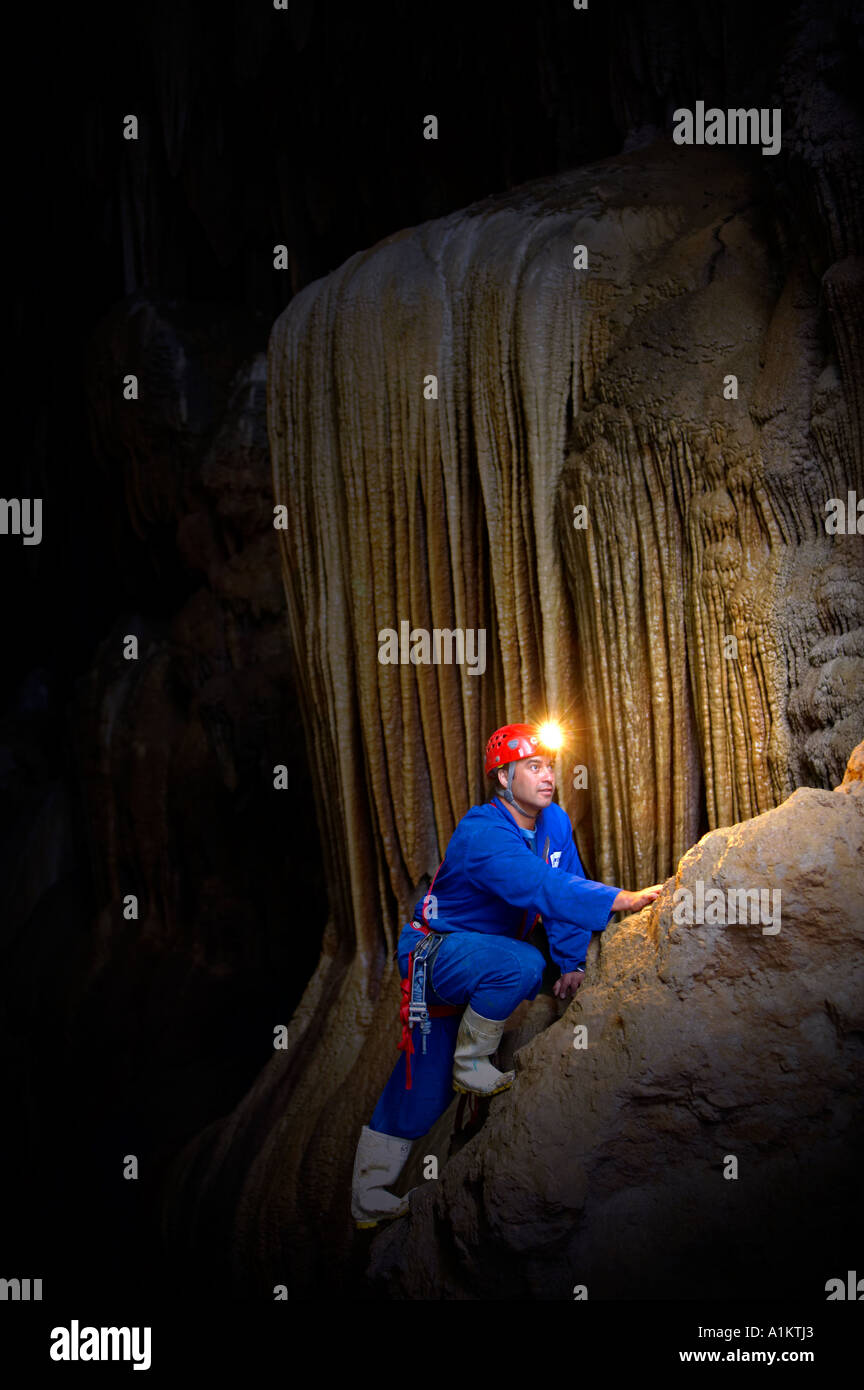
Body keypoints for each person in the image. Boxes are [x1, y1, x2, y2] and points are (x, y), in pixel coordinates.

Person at [350, 721, 663, 1228]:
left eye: (550, 766)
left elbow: (564, 886)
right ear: (503, 777)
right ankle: (469, 1068)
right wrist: (620, 899)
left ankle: (372, 1190)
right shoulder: (482, 833)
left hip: (479, 961)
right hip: (435, 954)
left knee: (428, 1086)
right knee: (518, 967)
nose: (548, 777)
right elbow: (540, 887)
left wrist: (573, 965)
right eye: (533, 767)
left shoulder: (554, 822)